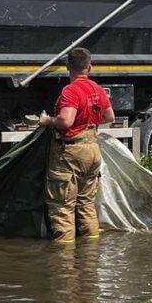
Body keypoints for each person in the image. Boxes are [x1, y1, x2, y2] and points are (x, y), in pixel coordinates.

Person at [39, 46, 114, 243]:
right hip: (92, 150)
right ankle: (90, 254)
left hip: (71, 152)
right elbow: (109, 117)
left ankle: (64, 263)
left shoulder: (70, 90)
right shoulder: (97, 89)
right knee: (86, 203)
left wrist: (47, 121)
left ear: (67, 67)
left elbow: (66, 121)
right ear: (89, 67)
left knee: (62, 206)